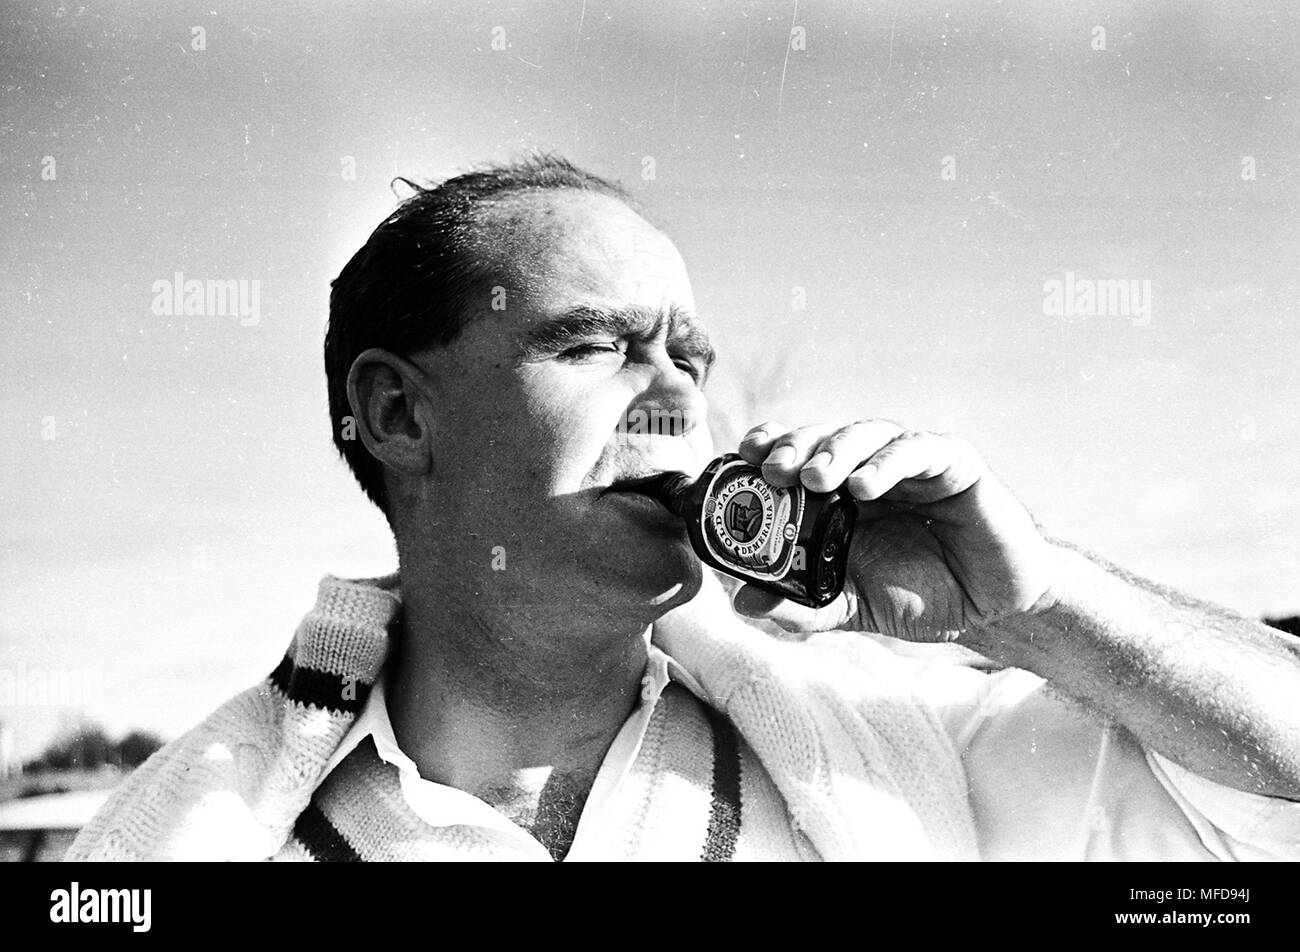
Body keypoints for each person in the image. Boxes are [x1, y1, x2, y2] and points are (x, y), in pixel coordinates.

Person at [68, 154, 1300, 861]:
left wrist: (1030, 606)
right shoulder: (199, 838)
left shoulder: (898, 752)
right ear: (398, 415)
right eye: (599, 343)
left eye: (691, 357)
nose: (673, 396)